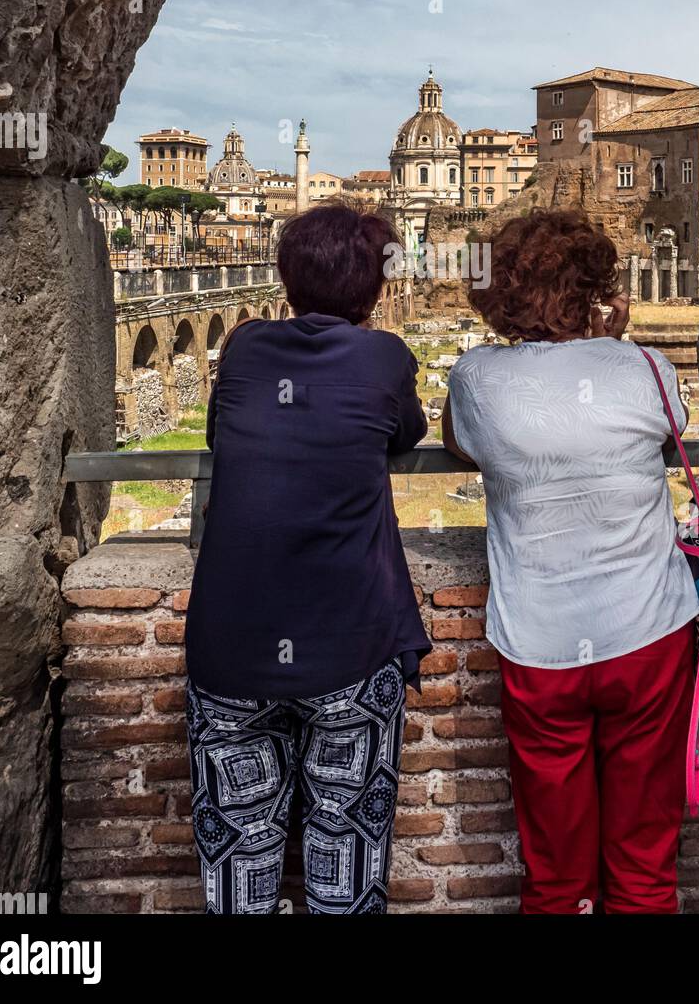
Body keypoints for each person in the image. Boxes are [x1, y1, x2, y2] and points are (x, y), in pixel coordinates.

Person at [442, 208, 699, 915]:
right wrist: (606, 342)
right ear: (597, 287)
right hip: (648, 635)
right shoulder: (641, 365)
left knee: (554, 874)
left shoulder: (474, 378)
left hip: (540, 645)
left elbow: (462, 445)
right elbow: (672, 425)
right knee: (645, 865)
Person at [184, 203, 430, 915]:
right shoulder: (383, 355)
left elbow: (221, 428)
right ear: (375, 287)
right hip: (351, 648)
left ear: (287, 277)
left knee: (238, 877)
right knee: (344, 868)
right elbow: (403, 433)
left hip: (228, 649)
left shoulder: (243, 348)